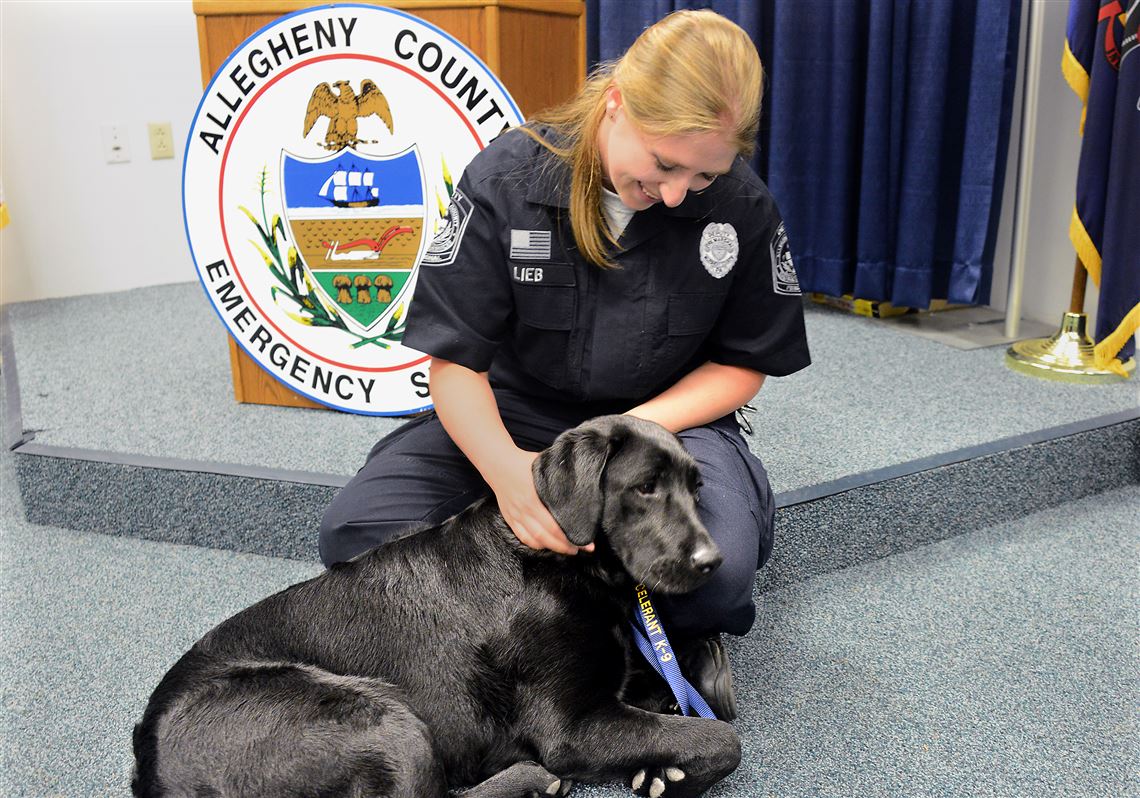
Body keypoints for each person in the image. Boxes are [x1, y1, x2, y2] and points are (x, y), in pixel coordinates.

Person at [319, 8, 811, 721]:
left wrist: (625, 436)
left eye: (703, 174)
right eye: (664, 164)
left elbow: (742, 368)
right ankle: (580, 635)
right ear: (616, 104)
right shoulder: (508, 178)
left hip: (667, 426)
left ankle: (643, 635)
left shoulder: (742, 208)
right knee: (358, 535)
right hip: (520, 415)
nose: (676, 193)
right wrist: (512, 481)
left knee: (720, 578)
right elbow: (453, 366)